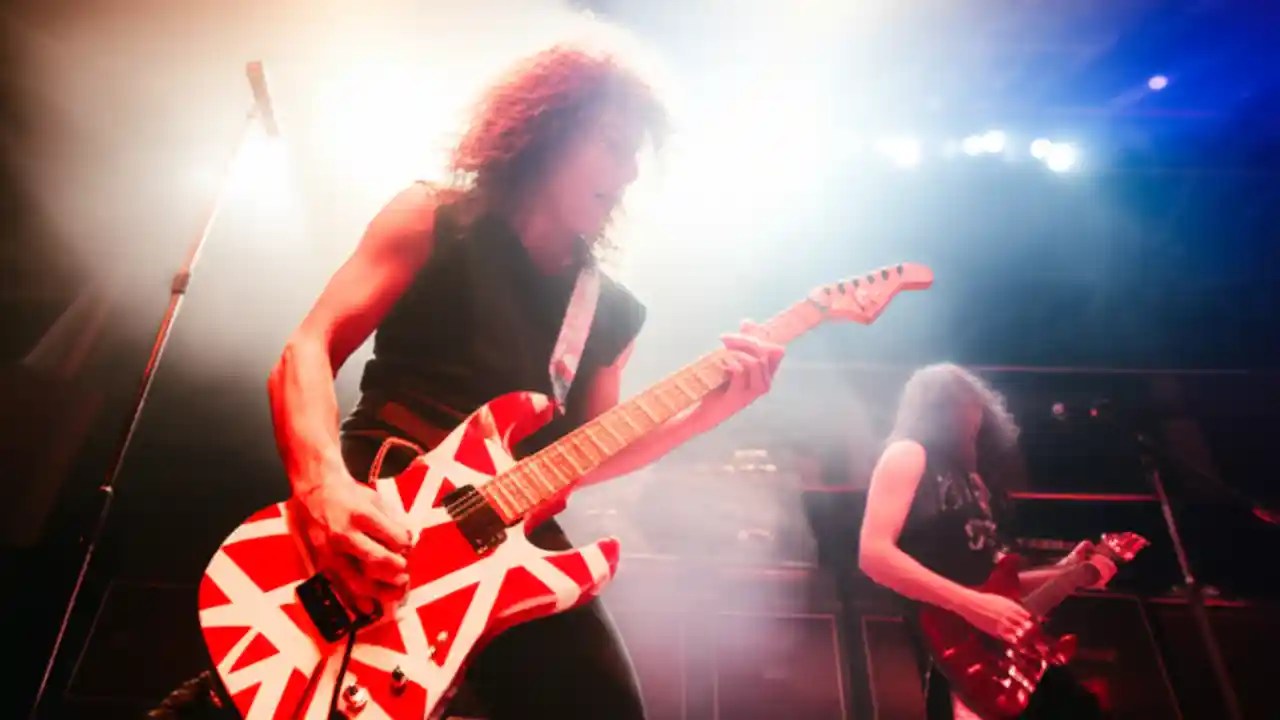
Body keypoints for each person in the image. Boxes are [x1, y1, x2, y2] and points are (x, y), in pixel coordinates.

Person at [148, 32, 785, 720]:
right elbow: (308, 348)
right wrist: (323, 487)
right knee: (281, 689)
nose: (629, 172)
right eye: (612, 143)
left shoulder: (611, 309)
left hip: (509, 525)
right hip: (385, 486)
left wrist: (708, 415)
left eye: (636, 154)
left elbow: (587, 453)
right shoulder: (434, 218)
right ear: (545, 131)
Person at [857, 363, 1115, 720]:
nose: (972, 425)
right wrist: (972, 605)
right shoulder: (907, 454)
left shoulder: (974, 482)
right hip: (948, 643)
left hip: (995, 647)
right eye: (963, 412)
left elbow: (996, 583)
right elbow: (874, 554)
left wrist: (1067, 571)